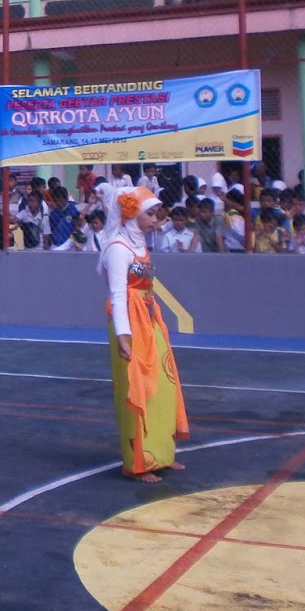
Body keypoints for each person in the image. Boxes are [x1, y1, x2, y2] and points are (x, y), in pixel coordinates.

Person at [102, 187, 188, 482]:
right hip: (130, 322)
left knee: (162, 385)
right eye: (150, 213)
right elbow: (117, 295)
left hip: (149, 319)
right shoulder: (118, 249)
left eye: (155, 213)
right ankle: (138, 462)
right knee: (138, 387)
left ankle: (161, 454)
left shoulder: (141, 246)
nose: (156, 218)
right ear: (133, 214)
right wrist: (124, 336)